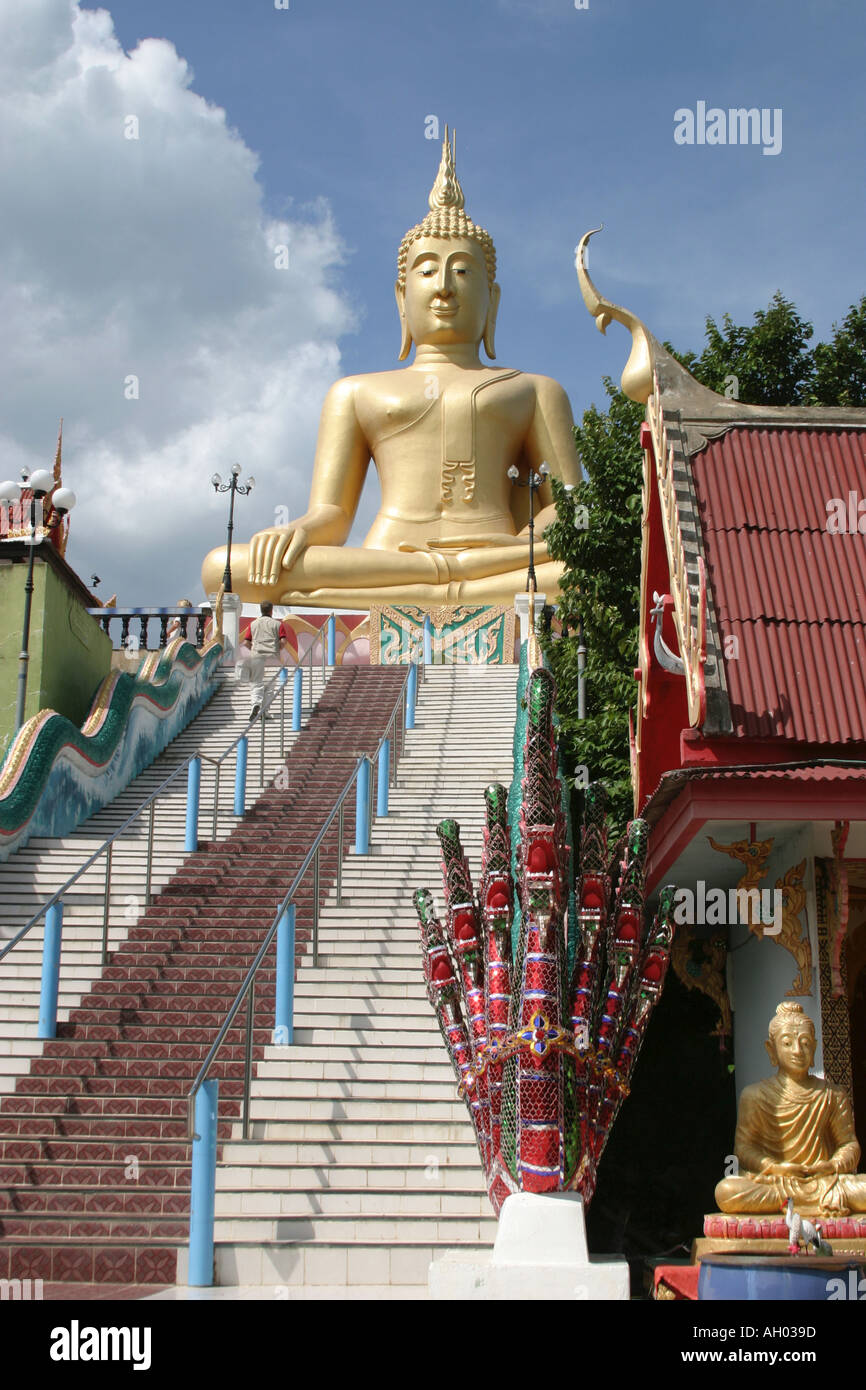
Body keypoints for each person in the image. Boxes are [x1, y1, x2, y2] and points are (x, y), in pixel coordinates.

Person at [201, 129, 580, 611]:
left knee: (580, 570)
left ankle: (438, 586)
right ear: (402, 299)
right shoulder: (355, 392)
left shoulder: (534, 391)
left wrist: (521, 543)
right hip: (394, 558)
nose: (444, 287)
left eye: (463, 271)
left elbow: (568, 512)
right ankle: (447, 583)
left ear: (493, 302)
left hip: (497, 557)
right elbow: (333, 515)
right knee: (225, 568)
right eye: (426, 271)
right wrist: (294, 531)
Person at [714, 1000, 866, 1216]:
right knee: (727, 1191)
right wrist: (775, 1167)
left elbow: (849, 1145)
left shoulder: (832, 1094)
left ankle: (798, 1204)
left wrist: (830, 1166)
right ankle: (807, 1204)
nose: (797, 1050)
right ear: (771, 1049)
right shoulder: (755, 1095)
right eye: (787, 1043)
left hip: (824, 1182)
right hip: (777, 1183)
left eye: (804, 1043)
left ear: (814, 1046)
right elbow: (744, 1150)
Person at [238, 601, 286, 720]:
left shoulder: (253, 624)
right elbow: (283, 641)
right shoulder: (277, 624)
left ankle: (255, 704)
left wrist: (254, 649)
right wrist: (276, 648)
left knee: (256, 684)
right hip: (272, 657)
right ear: (271, 610)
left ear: (260, 610)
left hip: (257, 658)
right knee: (269, 686)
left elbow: (246, 642)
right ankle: (265, 711)